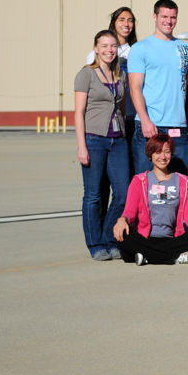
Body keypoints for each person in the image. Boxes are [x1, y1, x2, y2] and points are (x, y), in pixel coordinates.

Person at [128, 0, 188, 177]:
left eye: (173, 17)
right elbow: (135, 87)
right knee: (145, 185)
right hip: (149, 127)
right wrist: (145, 120)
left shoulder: (187, 49)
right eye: (164, 16)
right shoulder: (140, 48)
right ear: (154, 17)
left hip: (178, 127)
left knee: (180, 185)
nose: (168, 21)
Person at [75, 30, 129, 261]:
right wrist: (82, 146)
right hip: (94, 139)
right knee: (94, 195)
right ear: (96, 49)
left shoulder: (121, 75)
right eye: (104, 45)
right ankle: (95, 244)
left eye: (113, 45)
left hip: (118, 140)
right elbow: (78, 113)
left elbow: (122, 109)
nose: (109, 49)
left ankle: (109, 238)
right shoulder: (86, 74)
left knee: (123, 193)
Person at [113, 135, 188, 265]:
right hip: (144, 239)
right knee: (122, 234)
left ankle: (147, 256)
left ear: (171, 153)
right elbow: (129, 211)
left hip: (171, 240)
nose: (162, 157)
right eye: (158, 152)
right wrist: (122, 220)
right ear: (150, 154)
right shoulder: (139, 181)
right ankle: (176, 257)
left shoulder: (182, 181)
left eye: (167, 152)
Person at [86, 7, 137, 152]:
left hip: (134, 116)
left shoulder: (138, 50)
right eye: (121, 20)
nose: (126, 24)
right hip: (108, 117)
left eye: (130, 20)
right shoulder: (98, 54)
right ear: (113, 23)